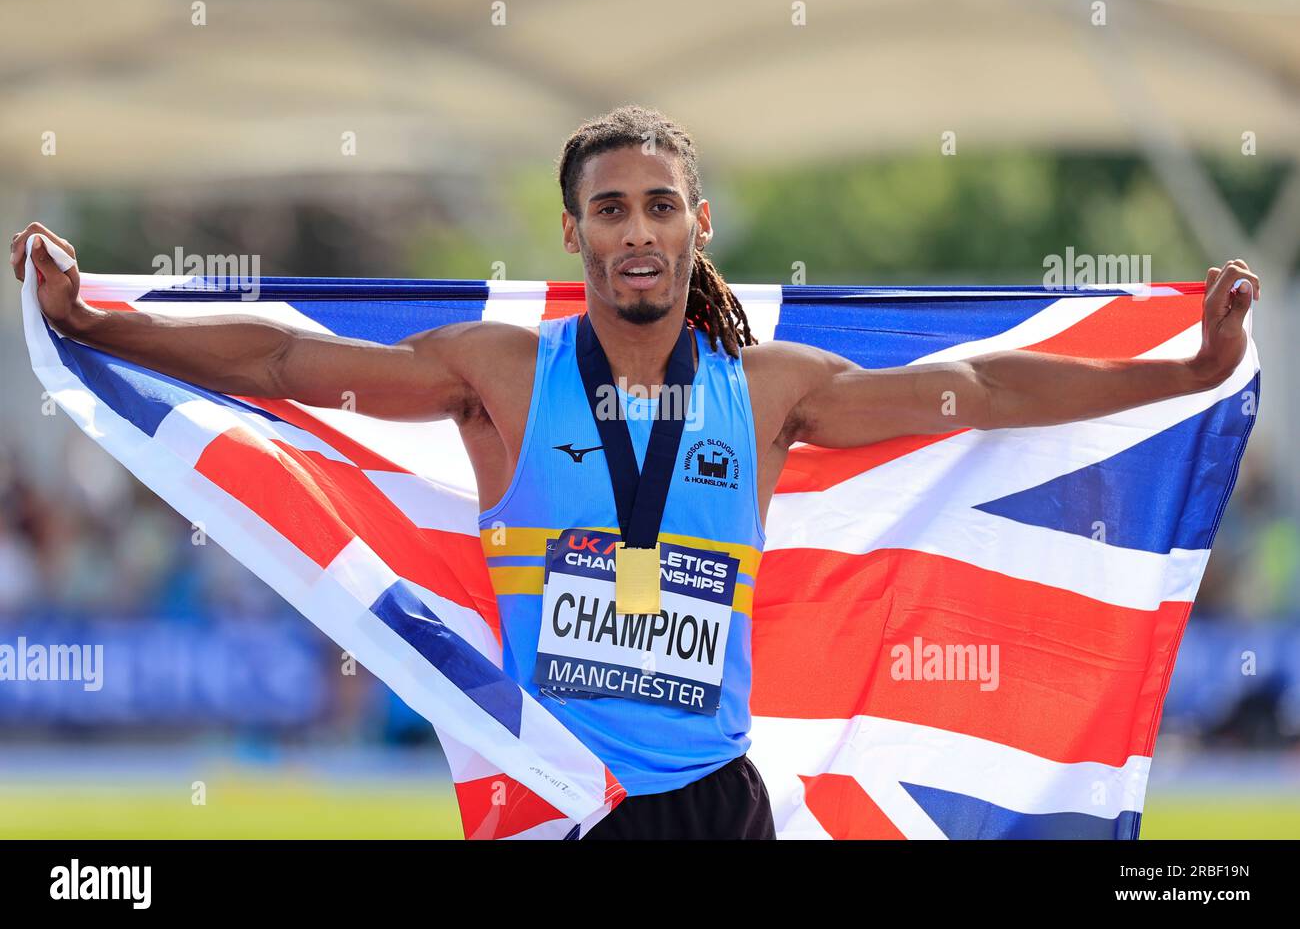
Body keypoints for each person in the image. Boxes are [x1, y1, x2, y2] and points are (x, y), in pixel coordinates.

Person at [11, 104, 1261, 840]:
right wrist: (99, 323)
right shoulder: (499, 374)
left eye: (660, 205)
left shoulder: (771, 392)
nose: (637, 230)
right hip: (561, 795)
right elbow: (288, 357)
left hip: (718, 805)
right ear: (576, 232)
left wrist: (1181, 372)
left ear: (696, 225)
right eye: (610, 209)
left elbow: (983, 393)